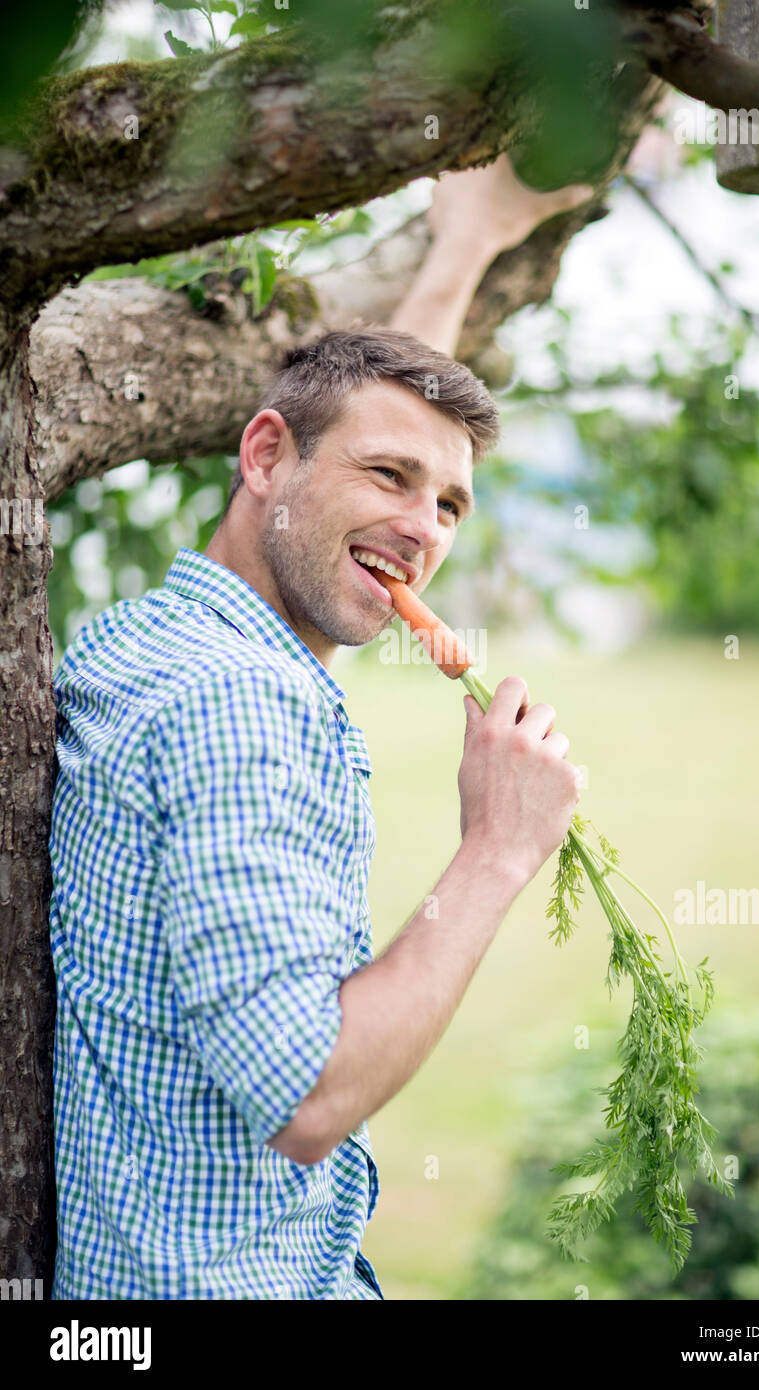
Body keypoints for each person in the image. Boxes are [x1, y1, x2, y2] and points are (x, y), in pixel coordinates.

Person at [48, 155, 588, 1300]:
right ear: (261, 456)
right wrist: (497, 850)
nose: (423, 529)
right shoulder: (235, 705)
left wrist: (463, 244)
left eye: (449, 505)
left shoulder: (159, 634)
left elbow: (345, 451)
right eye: (391, 477)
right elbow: (306, 1096)